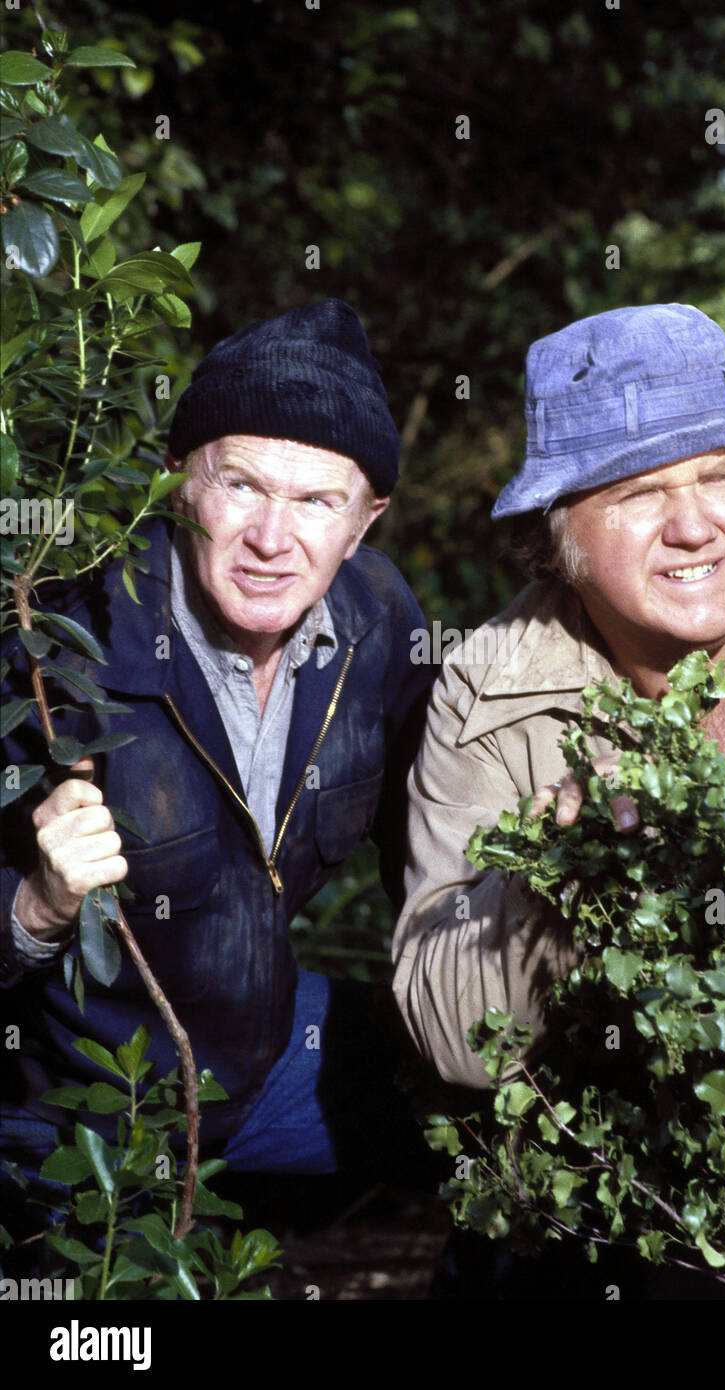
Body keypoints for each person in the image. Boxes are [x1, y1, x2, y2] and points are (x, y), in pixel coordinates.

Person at [392, 302, 725, 1094]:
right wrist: (549, 882)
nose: (692, 526)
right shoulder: (483, 693)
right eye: (638, 493)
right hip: (639, 1143)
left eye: (720, 476)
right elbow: (453, 1044)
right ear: (560, 536)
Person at [1, 300, 433, 1222]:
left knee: (497, 1092)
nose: (273, 540)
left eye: (317, 501)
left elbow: (428, 850)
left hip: (267, 1056)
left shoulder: (380, 619)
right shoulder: (58, 655)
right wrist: (37, 906)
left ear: (364, 523)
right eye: (240, 485)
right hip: (67, 1109)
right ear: (176, 484)